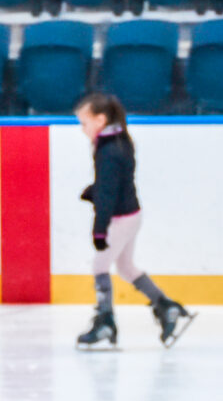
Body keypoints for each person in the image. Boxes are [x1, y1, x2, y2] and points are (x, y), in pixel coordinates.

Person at [70, 93, 193, 351]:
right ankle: (166, 307)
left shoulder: (108, 150)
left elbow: (109, 192)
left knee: (100, 265)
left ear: (100, 120)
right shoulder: (119, 140)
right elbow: (116, 181)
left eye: (84, 123)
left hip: (121, 218)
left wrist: (100, 230)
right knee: (126, 267)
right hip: (130, 214)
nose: (82, 129)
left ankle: (105, 322)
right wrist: (95, 190)